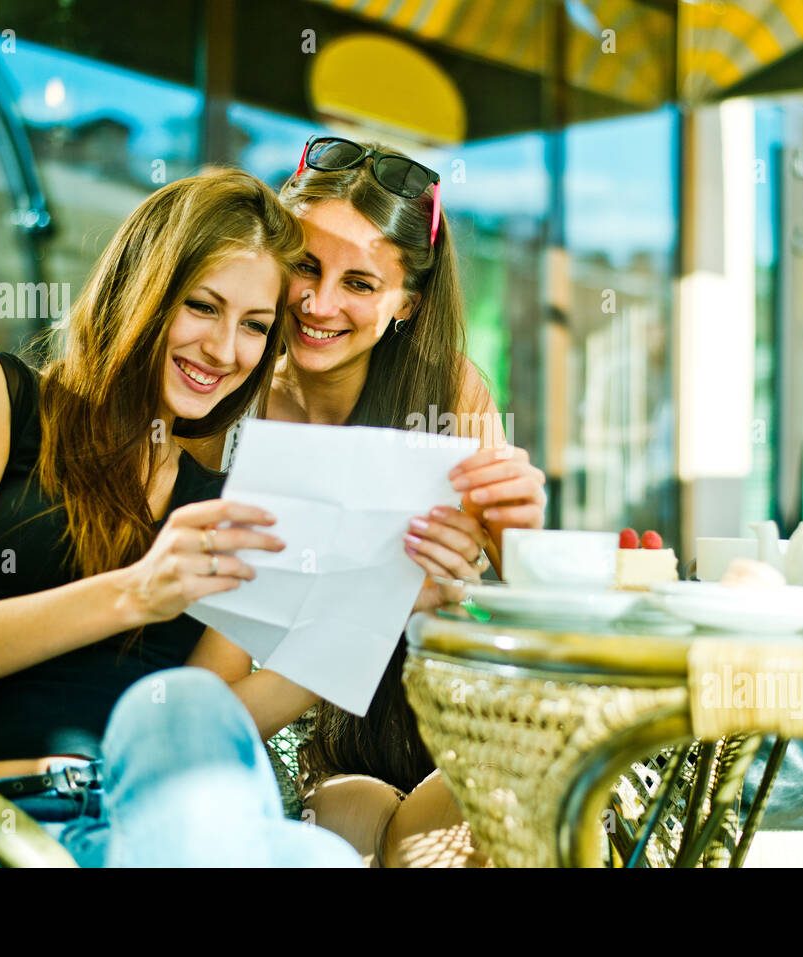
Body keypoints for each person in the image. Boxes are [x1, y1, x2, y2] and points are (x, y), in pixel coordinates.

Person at [0, 168, 360, 867]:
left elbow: (217, 717)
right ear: (144, 285)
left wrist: (369, 617)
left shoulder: (218, 501)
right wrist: (133, 593)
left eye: (255, 326)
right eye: (202, 306)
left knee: (315, 846)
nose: (225, 351)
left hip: (161, 817)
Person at [201, 135, 548, 867]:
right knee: (357, 822)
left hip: (433, 724)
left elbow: (525, 603)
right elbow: (209, 686)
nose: (319, 304)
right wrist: (385, 593)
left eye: (360, 283)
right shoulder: (229, 398)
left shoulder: (446, 391)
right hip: (279, 741)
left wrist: (519, 538)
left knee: (487, 821)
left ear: (406, 304)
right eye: (305, 266)